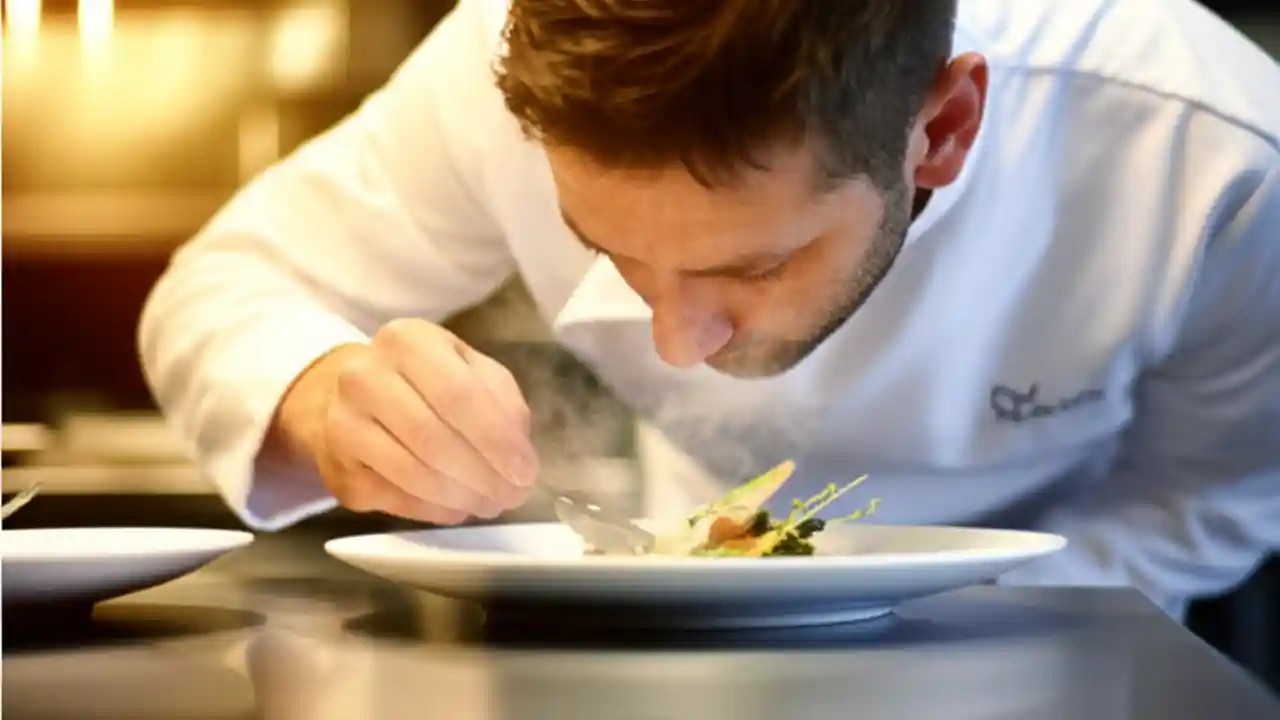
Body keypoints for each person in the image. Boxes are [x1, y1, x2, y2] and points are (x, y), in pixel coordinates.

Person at [138, 0, 1280, 619]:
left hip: (1046, 639)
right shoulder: (492, 73)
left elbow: (1214, 492)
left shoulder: (1214, 152)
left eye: (754, 266)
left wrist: (936, 609)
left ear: (939, 129)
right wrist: (320, 393)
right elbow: (225, 284)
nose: (675, 343)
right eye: (609, 254)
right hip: (656, 626)